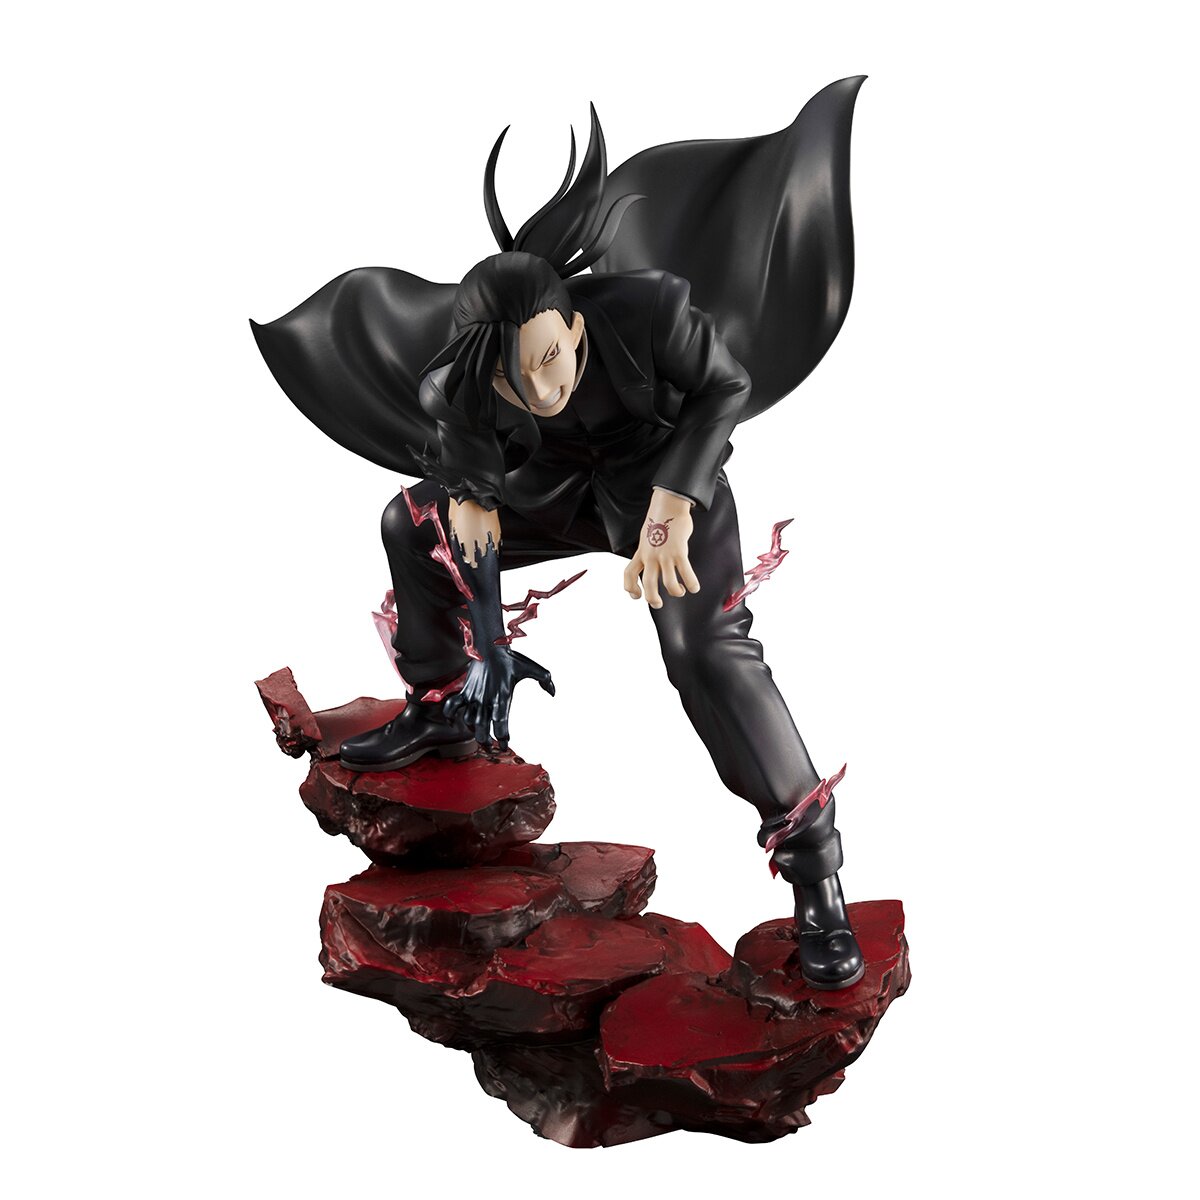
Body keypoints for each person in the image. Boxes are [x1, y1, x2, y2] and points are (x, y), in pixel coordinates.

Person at [252, 79, 867, 988]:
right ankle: (440, 705)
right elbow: (470, 531)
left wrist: (674, 502)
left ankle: (816, 875)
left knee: (706, 651)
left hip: (665, 487)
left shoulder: (649, 309)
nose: (542, 387)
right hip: (556, 494)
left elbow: (725, 386)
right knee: (410, 522)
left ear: (574, 323)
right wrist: (487, 646)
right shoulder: (455, 387)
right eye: (517, 377)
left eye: (551, 356)